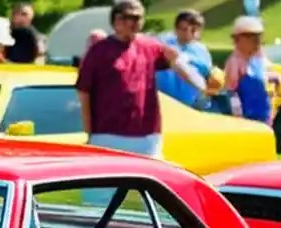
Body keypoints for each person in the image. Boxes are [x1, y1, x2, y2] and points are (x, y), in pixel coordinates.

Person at [76, 0, 206, 162]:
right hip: (107, 135)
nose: (136, 22)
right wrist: (89, 132)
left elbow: (176, 64)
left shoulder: (150, 46)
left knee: (149, 177)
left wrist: (203, 86)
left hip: (147, 136)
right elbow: (84, 92)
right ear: (117, 20)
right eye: (131, 17)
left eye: (139, 18)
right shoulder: (98, 51)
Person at [222, 15, 280, 124]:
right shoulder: (234, 62)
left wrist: (275, 80)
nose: (257, 42)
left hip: (265, 116)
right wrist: (238, 116)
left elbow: (266, 77)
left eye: (258, 37)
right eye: (252, 38)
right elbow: (230, 92)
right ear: (238, 40)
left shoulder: (259, 58)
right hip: (247, 119)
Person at [157, 10, 216, 110]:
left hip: (188, 103)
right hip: (163, 100)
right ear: (176, 29)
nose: (188, 34)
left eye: (193, 30)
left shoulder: (201, 50)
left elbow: (206, 73)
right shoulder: (164, 43)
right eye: (184, 29)